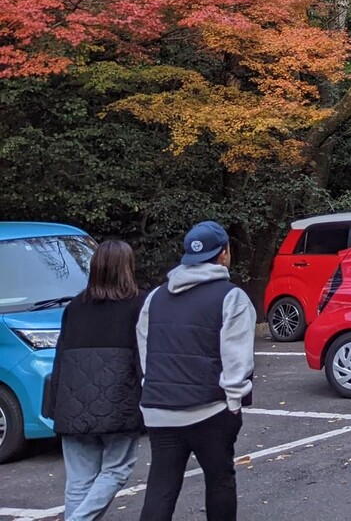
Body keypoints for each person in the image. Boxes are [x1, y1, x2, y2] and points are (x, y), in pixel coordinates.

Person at [137, 221, 256, 521]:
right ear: (224, 254)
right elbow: (237, 358)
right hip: (210, 409)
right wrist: (234, 402)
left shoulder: (155, 297)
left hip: (159, 408)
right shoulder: (232, 297)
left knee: (161, 485)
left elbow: (145, 352)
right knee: (219, 481)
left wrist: (150, 389)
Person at [42, 239, 145, 521]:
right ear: (127, 267)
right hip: (119, 402)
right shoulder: (140, 304)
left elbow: (61, 357)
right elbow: (143, 357)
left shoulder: (75, 306)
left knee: (79, 479)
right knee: (117, 469)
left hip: (72, 403)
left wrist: (55, 403)